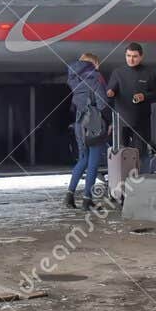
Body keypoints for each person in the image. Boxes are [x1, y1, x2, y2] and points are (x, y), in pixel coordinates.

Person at [64, 52, 111, 209]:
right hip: (94, 122)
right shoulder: (96, 77)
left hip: (80, 122)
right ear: (94, 63)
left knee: (83, 158)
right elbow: (102, 102)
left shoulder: (74, 78)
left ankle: (69, 196)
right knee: (93, 162)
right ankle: (87, 199)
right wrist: (109, 122)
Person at [105, 42, 156, 168]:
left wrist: (144, 96)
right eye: (128, 56)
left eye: (135, 56)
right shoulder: (118, 72)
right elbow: (110, 91)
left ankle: (139, 175)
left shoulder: (148, 73)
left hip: (141, 120)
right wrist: (110, 92)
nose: (131, 59)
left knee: (140, 153)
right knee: (121, 153)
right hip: (122, 120)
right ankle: (123, 177)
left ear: (141, 57)